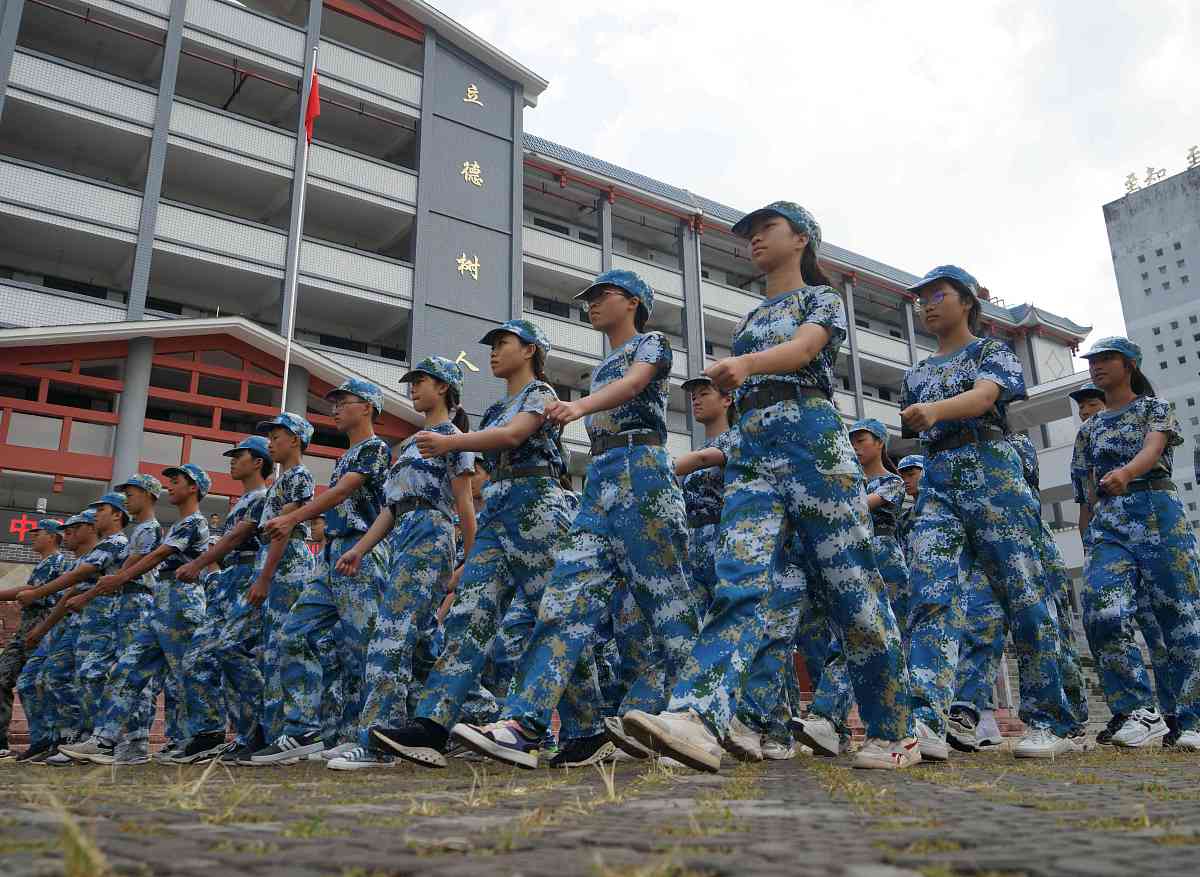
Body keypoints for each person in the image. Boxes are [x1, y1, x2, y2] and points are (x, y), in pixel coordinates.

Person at [621, 202, 916, 772]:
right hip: (753, 448)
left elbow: (806, 350)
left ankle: (894, 728)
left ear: (802, 238)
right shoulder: (752, 317)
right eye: (749, 233)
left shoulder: (820, 299)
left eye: (766, 229)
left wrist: (748, 364)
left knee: (850, 586)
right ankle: (696, 715)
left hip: (812, 442)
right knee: (740, 578)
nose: (753, 239)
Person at [446, 269, 701, 770]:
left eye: (600, 297)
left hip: (643, 472)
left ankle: (698, 715)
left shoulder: (651, 344)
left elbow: (636, 383)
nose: (590, 305)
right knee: (562, 601)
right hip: (600, 480)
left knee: (668, 606)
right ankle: (525, 724)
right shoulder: (601, 365)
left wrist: (578, 404)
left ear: (631, 301)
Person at [368, 323, 592, 769]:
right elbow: (483, 467)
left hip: (537, 508)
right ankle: (433, 725)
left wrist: (450, 441)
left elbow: (513, 437)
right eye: (491, 346)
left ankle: (587, 726)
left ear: (529, 351)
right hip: (498, 511)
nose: (493, 352)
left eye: (502, 344)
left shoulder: (539, 393)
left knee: (555, 615)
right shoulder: (493, 410)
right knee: (468, 616)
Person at [897, 264, 1077, 760]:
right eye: (922, 298)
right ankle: (925, 719)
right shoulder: (917, 373)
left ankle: (1051, 719)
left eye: (939, 294)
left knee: (1022, 593)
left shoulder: (991, 351)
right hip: (938, 478)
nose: (928, 304)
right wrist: (928, 417)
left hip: (990, 469)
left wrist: (936, 411)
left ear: (967, 301)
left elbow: (985, 398)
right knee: (930, 594)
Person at [309, 357, 475, 771]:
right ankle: (477, 714)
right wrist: (360, 549)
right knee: (421, 644)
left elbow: (464, 504)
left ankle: (377, 741)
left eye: (421, 382)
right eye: (412, 382)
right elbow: (390, 508)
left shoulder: (453, 439)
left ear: (444, 388)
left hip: (431, 540)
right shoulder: (409, 445)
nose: (413, 388)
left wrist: (472, 560)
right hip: (403, 539)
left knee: (390, 636)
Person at [251, 381, 392, 766]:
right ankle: (304, 730)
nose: (334, 409)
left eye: (342, 403)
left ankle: (371, 737)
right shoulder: (346, 456)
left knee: (361, 646)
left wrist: (294, 517)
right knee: (293, 633)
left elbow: (345, 493)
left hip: (361, 551)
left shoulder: (375, 449)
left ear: (366, 407)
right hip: (332, 556)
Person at [1072, 337, 1200, 751]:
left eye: (1106, 359)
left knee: (1179, 615)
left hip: (1157, 512)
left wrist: (1125, 473)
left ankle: (1192, 717)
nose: (1097, 367)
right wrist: (1087, 535)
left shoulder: (1153, 408)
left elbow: (1154, 448)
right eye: (1092, 361)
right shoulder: (1089, 429)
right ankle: (1138, 711)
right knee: (1102, 611)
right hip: (1109, 523)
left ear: (1129, 364)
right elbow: (1086, 491)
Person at [63, 465, 225, 764]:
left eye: (175, 482)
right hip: (160, 605)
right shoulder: (176, 525)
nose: (170, 487)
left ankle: (205, 736)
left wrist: (121, 578)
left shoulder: (195, 523)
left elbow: (159, 556)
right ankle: (104, 739)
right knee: (127, 668)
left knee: (186, 675)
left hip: (182, 604)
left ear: (193, 489)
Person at [793, 418, 911, 758]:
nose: (855, 446)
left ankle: (893, 727)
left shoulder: (891, 482)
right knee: (844, 640)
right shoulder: (848, 480)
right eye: (852, 440)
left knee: (879, 644)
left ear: (880, 443)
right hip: (848, 557)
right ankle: (833, 724)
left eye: (862, 440)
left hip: (884, 560)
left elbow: (858, 506)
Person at [1069, 382, 1175, 746]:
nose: (1086, 412)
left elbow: (1154, 453)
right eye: (1081, 407)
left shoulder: (1148, 415)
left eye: (1092, 403)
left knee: (1162, 628)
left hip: (1154, 531)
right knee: (1108, 618)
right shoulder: (1087, 440)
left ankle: (1177, 715)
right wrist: (1089, 546)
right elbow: (1085, 500)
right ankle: (1135, 712)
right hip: (1112, 538)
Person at [176, 436, 273, 763]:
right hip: (227, 584)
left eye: (239, 456)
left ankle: (259, 730)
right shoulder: (242, 500)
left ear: (258, 462)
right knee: (196, 657)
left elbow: (236, 538)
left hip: (247, 580)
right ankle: (210, 733)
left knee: (233, 651)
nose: (232, 461)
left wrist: (198, 563)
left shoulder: (262, 496)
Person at [19, 511, 95, 765]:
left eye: (73, 528)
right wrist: (43, 630)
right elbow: (65, 598)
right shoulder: (76, 562)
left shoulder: (104, 553)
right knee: (32, 679)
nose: (67, 534)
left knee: (63, 679)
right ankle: (48, 739)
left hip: (90, 625)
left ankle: (72, 739)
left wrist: (38, 602)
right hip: (62, 625)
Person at [0, 520, 68, 761]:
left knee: (37, 683)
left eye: (37, 533)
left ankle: (48, 741)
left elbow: (30, 591)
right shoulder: (43, 563)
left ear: (51, 536)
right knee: (3, 678)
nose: (32, 537)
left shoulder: (57, 562)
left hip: (41, 629)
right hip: (26, 630)